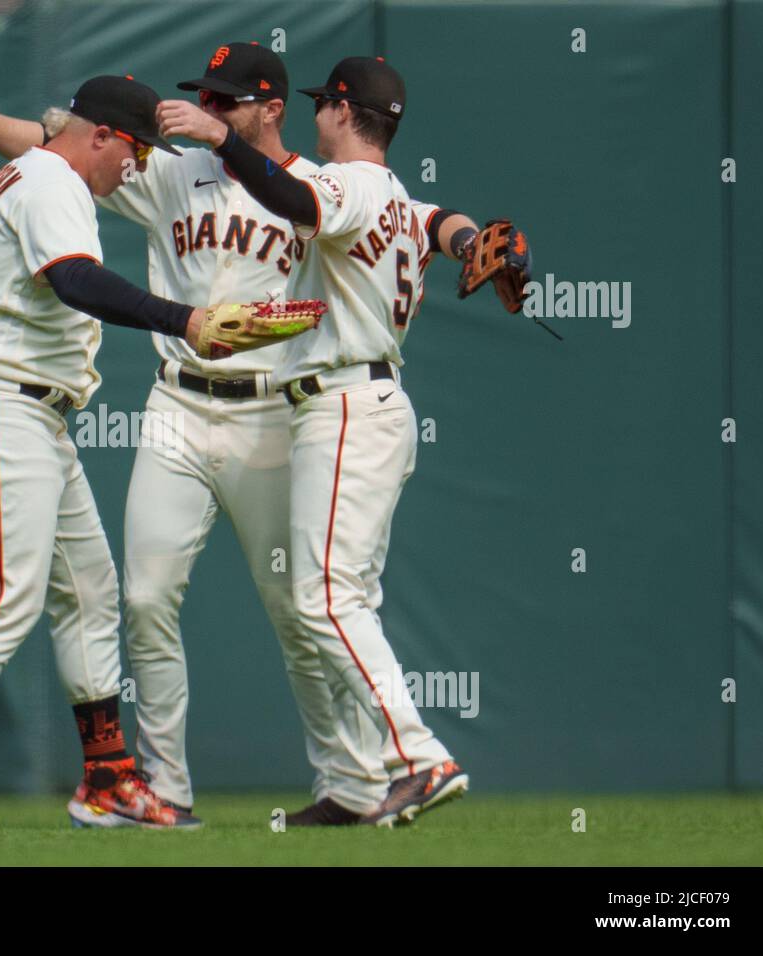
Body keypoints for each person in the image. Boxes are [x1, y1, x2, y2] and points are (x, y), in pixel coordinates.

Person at [0, 44, 485, 825]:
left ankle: (348, 780)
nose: (210, 107)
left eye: (228, 100)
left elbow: (417, 213)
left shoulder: (316, 185)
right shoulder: (174, 171)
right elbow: (63, 149)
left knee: (300, 607)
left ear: (272, 110)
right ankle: (156, 784)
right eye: (206, 94)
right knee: (143, 598)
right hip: (178, 405)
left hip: (275, 410)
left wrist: (467, 235)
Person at [157, 56, 521, 824]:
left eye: (325, 105)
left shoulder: (351, 185)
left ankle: (421, 759)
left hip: (346, 405)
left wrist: (223, 139)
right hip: (371, 402)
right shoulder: (390, 196)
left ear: (343, 112)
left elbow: (289, 194)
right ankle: (358, 790)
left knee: (323, 598)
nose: (315, 115)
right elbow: (440, 220)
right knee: (348, 597)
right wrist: (481, 242)